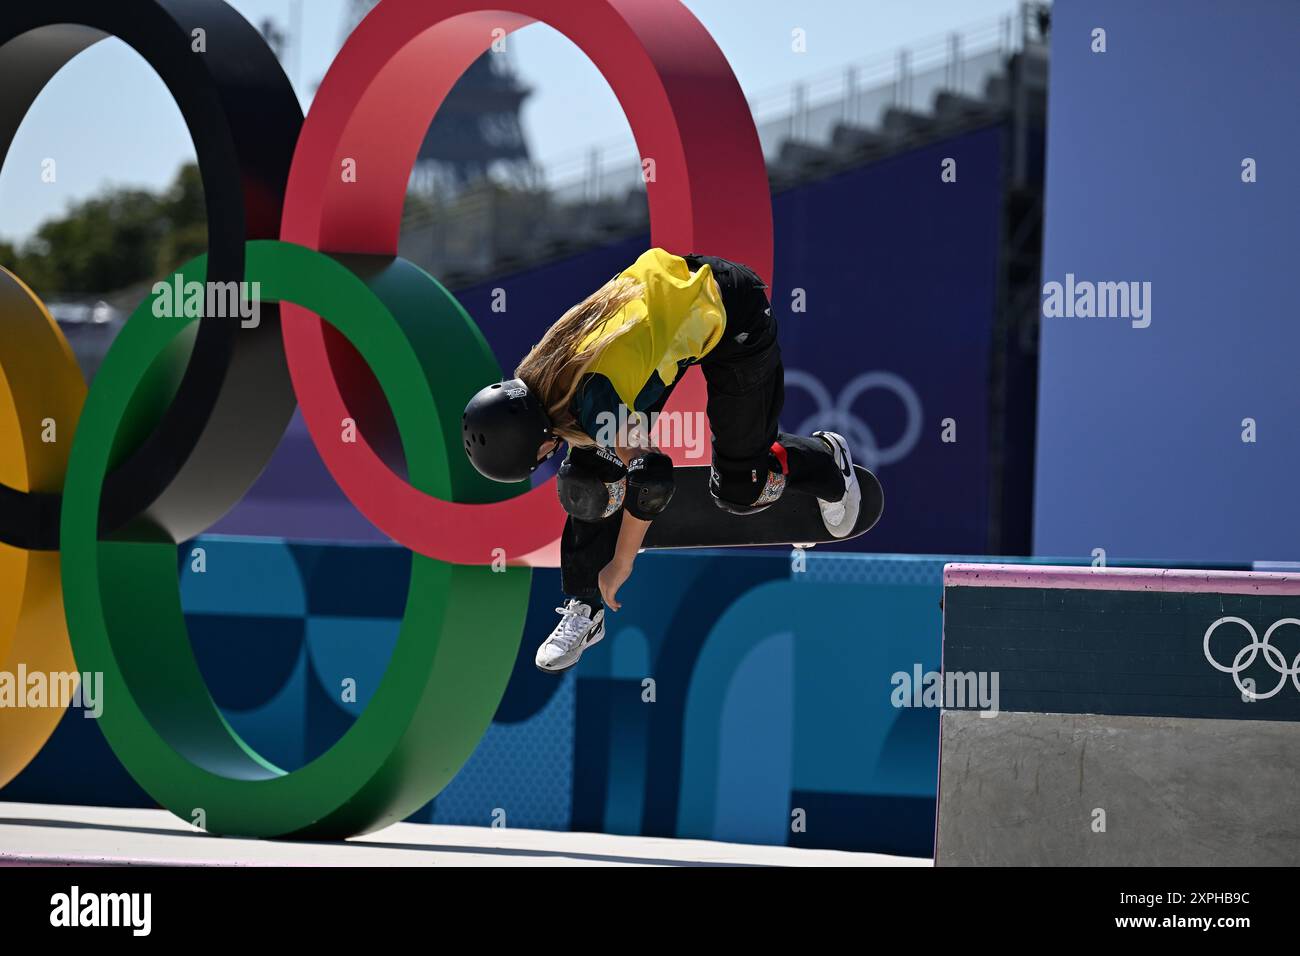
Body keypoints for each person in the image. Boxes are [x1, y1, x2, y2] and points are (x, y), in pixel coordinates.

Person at [463, 248, 859, 673]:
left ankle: (824, 460)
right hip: (671, 313)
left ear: (535, 438)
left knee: (742, 488)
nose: (544, 459)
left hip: (733, 313)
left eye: (537, 457)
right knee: (589, 475)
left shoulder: (594, 402)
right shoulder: (542, 376)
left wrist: (621, 562)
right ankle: (584, 605)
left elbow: (651, 476)